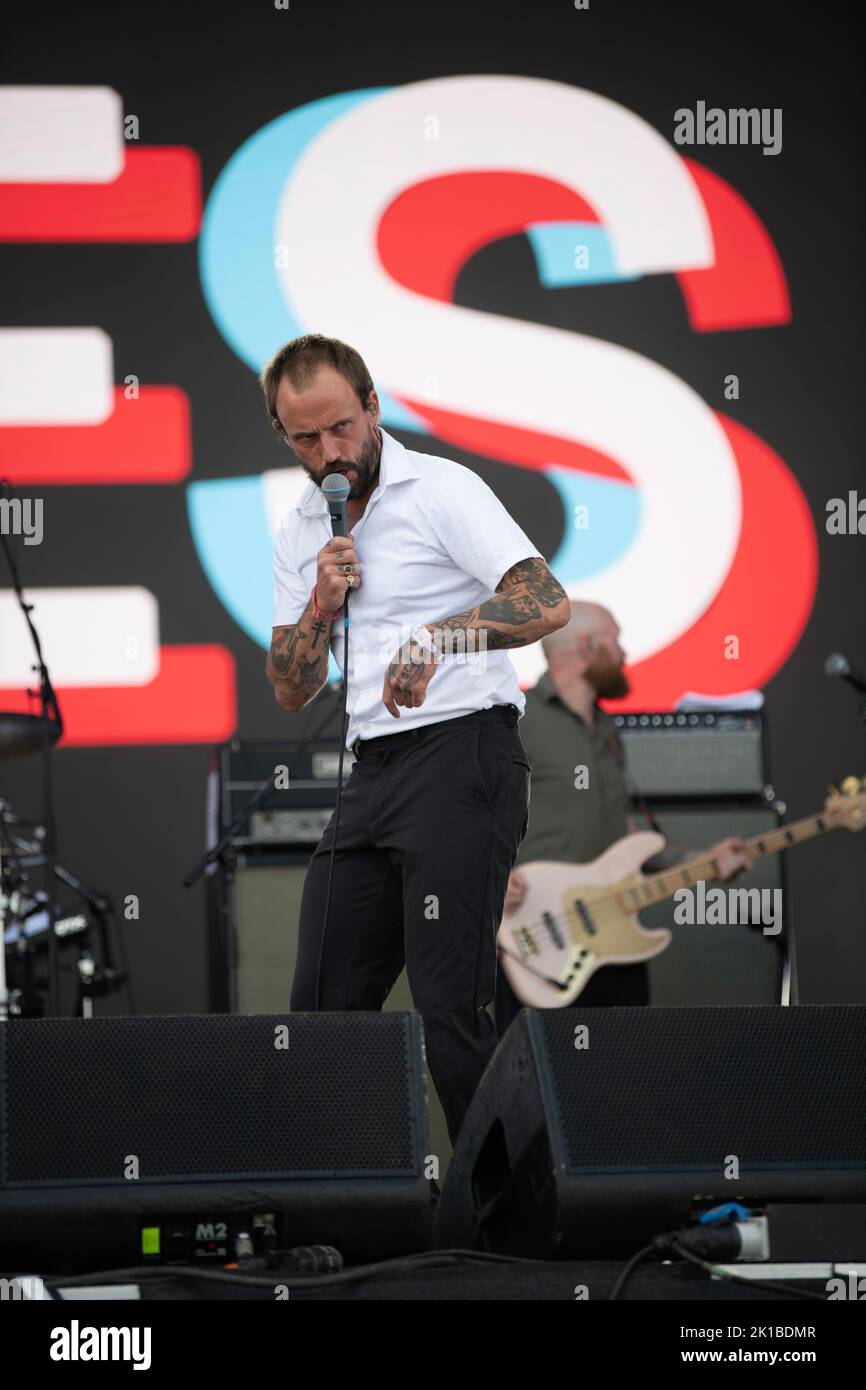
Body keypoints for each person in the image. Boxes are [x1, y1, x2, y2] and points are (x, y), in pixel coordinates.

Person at [261, 334, 570, 1142]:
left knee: (450, 1014)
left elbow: (544, 599)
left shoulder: (439, 489)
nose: (330, 453)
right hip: (370, 774)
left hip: (462, 753)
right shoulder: (301, 528)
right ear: (283, 437)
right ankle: (351, 1207)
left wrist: (438, 639)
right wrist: (321, 607)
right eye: (306, 438)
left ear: (372, 408)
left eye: (341, 428)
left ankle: (506, 1231)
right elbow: (292, 688)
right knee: (322, 1005)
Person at [495, 601, 751, 1033]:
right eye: (616, 640)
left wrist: (705, 861)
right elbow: (473, 814)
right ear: (588, 645)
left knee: (622, 1081)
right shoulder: (516, 719)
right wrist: (494, 880)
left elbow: (630, 840)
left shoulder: (608, 732)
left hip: (615, 939)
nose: (623, 653)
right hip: (537, 939)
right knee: (536, 1086)